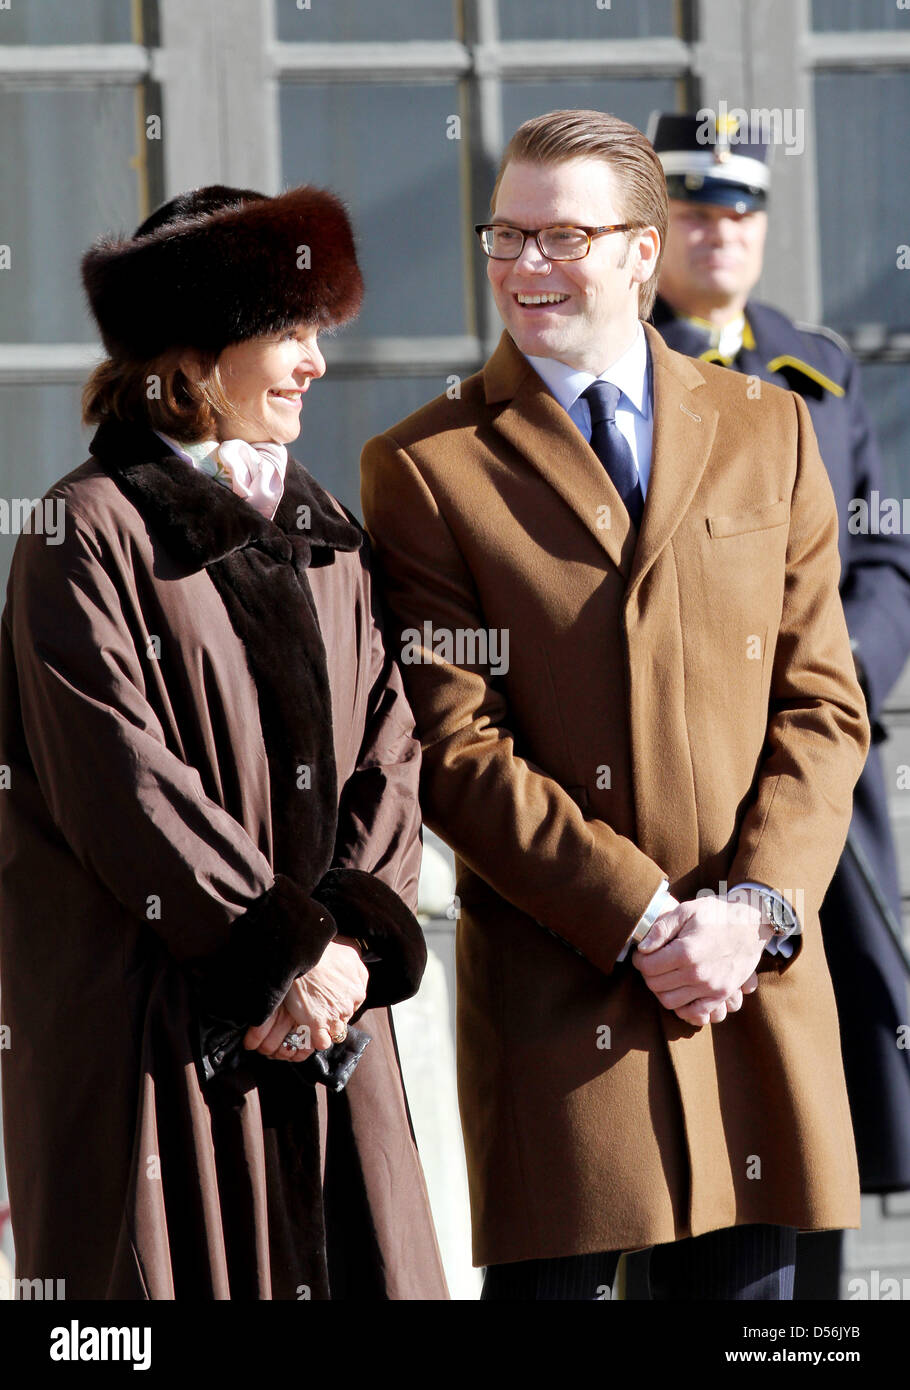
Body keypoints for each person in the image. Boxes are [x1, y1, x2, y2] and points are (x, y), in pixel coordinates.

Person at [360, 109, 871, 1301]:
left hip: (750, 996)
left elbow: (821, 705)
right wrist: (649, 920)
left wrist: (748, 911)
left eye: (561, 236)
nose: (523, 264)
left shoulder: (769, 428)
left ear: (644, 251)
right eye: (505, 233)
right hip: (566, 1010)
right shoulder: (428, 465)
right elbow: (454, 748)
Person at [0, 184, 448, 1300]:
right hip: (161, 1039)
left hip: (330, 1025)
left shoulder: (320, 530)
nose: (315, 365)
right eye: (289, 334)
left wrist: (345, 951)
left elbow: (389, 748)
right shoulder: (83, 533)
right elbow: (121, 786)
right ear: (193, 357)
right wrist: (279, 956)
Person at [649, 111, 910, 1298]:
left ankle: (814, 1311)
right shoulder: (617, 359)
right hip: (674, 772)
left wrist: (833, 679)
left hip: (814, 776)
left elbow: (883, 561)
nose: (722, 231)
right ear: (657, 226)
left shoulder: (815, 364)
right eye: (698, 209)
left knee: (836, 1038)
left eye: (741, 210)